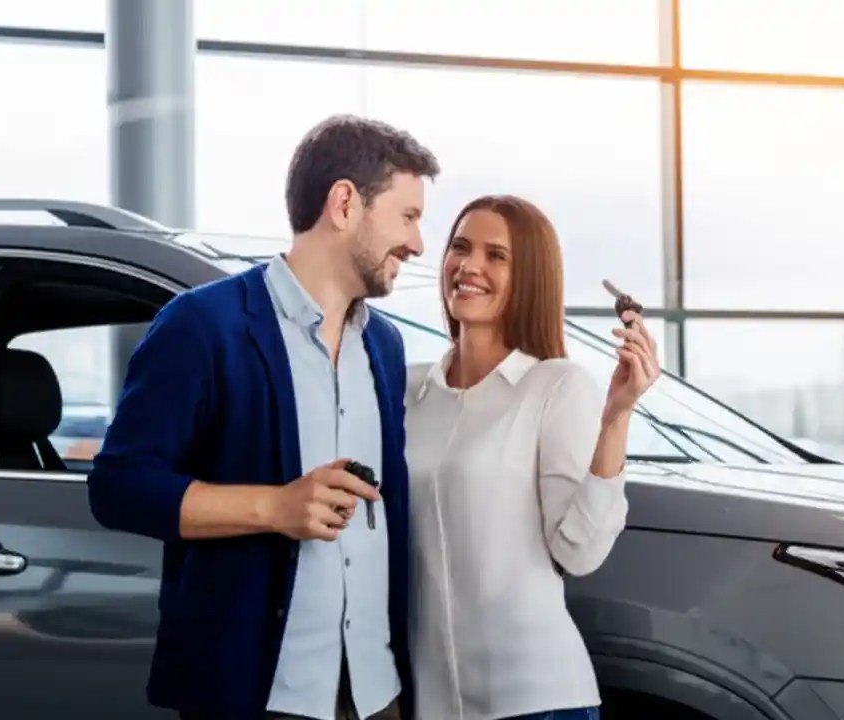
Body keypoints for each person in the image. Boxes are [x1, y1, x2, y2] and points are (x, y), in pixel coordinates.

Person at [86, 114, 440, 720]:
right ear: (345, 203)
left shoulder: (385, 345)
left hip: (375, 692)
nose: (417, 244)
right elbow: (118, 489)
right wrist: (275, 507)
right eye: (406, 216)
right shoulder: (204, 325)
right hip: (258, 695)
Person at [404, 195, 660, 720]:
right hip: (433, 705)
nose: (469, 266)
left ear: (529, 279)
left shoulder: (556, 385)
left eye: (496, 255)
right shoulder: (408, 390)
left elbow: (579, 552)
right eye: (461, 247)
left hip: (537, 702)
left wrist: (616, 417)